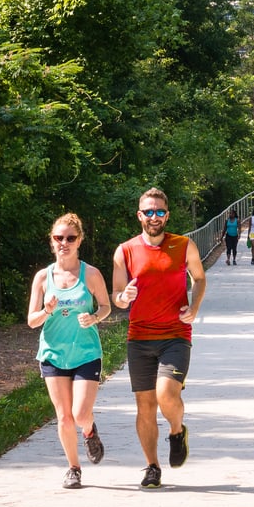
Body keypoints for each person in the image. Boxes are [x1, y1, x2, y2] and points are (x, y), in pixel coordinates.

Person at [112, 187, 207, 490]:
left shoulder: (183, 245)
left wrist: (193, 307)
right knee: (145, 406)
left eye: (160, 212)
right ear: (139, 215)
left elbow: (200, 278)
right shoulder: (124, 250)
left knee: (166, 394)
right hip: (139, 338)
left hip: (175, 335)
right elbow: (117, 296)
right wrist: (123, 297)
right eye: (149, 212)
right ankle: (152, 467)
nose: (154, 217)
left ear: (167, 215)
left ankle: (177, 431)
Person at [27, 213, 112, 489]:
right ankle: (73, 468)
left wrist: (94, 317)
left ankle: (89, 430)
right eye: (58, 238)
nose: (64, 243)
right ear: (51, 241)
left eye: (70, 238)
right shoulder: (43, 277)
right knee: (63, 416)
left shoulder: (92, 274)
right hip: (53, 354)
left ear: (80, 241)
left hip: (86, 352)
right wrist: (46, 310)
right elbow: (31, 321)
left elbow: (106, 306)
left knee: (79, 414)